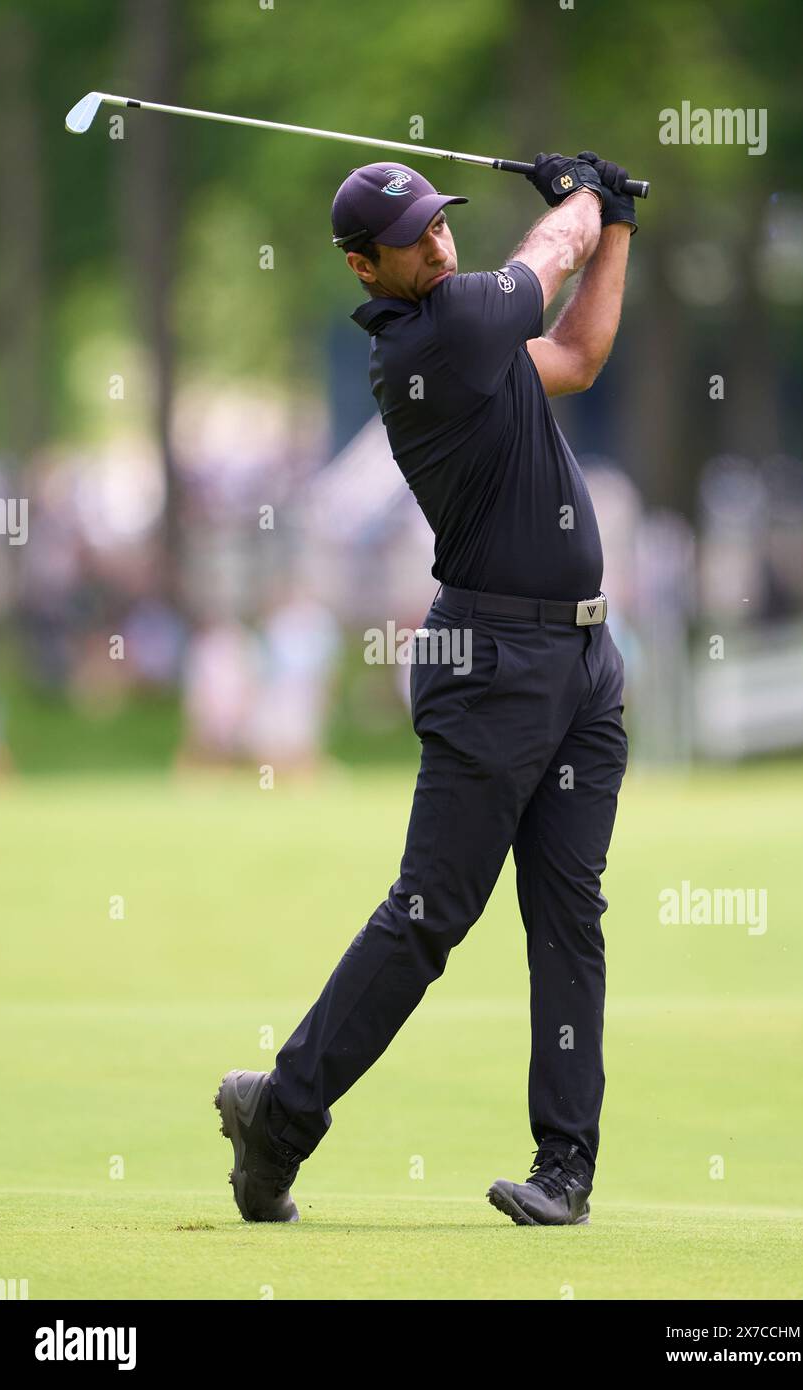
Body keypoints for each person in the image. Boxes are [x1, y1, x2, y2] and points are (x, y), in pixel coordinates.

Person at [215, 151, 636, 1227]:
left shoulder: (476, 339)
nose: (438, 244)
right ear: (367, 269)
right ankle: (282, 1120)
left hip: (583, 663)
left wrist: (617, 222)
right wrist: (588, 200)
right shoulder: (441, 338)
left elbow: (581, 354)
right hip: (490, 663)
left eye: (442, 225)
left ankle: (564, 1170)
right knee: (428, 914)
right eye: (413, 240)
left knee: (568, 914)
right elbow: (549, 255)